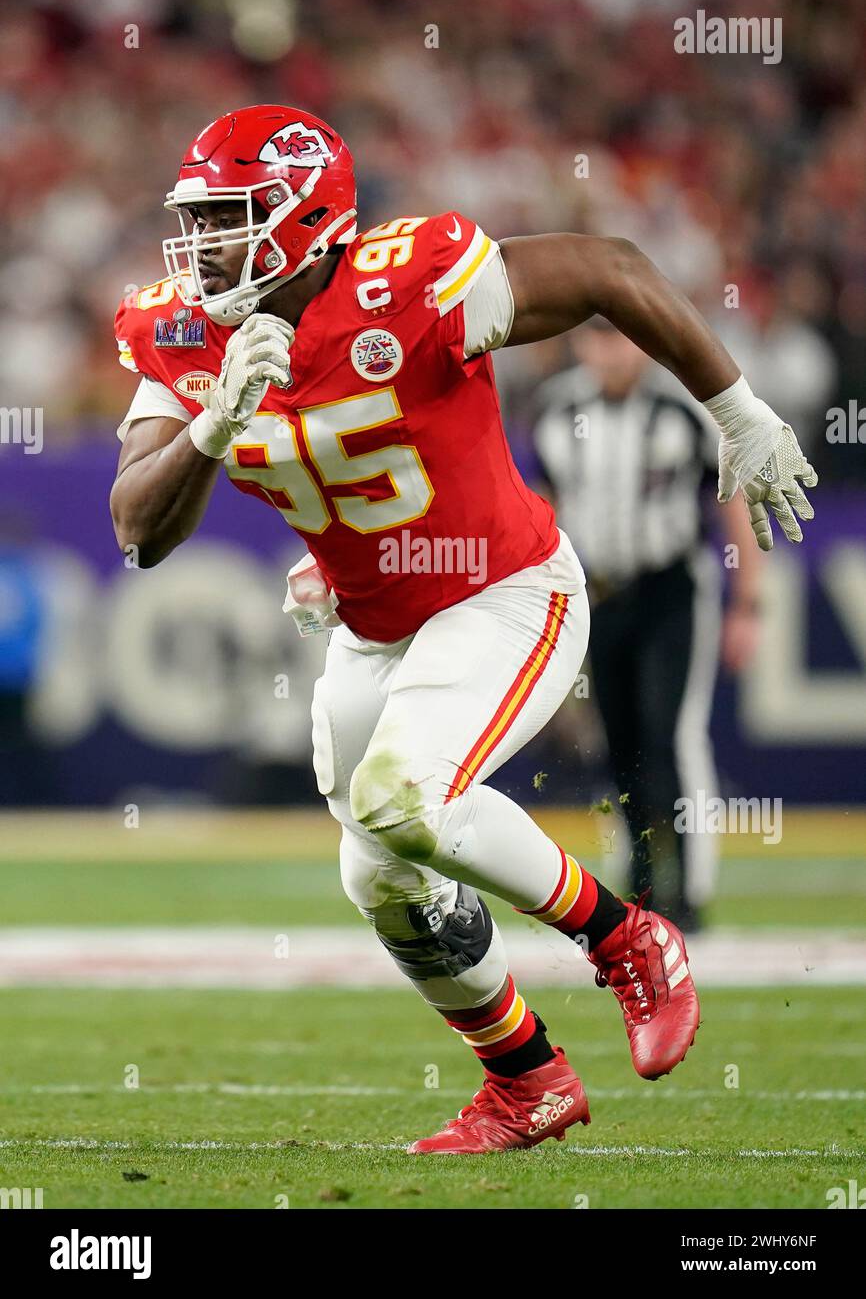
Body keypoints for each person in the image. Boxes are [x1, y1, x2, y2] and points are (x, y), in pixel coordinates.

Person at [109, 104, 817, 1154]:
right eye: (199, 219)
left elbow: (608, 268)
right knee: (376, 869)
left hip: (504, 590)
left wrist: (736, 408)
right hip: (375, 623)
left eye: (231, 216)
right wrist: (214, 427)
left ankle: (626, 939)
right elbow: (138, 527)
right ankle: (526, 1077)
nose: (206, 244)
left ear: (306, 215)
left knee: (400, 798)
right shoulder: (181, 329)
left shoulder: (409, 278)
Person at [533, 321, 763, 931]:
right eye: (599, 339)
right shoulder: (558, 411)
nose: (611, 353)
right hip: (598, 596)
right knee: (621, 742)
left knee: (669, 736)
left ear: (641, 343)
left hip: (669, 591)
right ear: (581, 344)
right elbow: (539, 509)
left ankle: (686, 888)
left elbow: (731, 497)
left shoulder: (679, 410)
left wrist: (749, 601)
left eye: (621, 339)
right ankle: (639, 884)